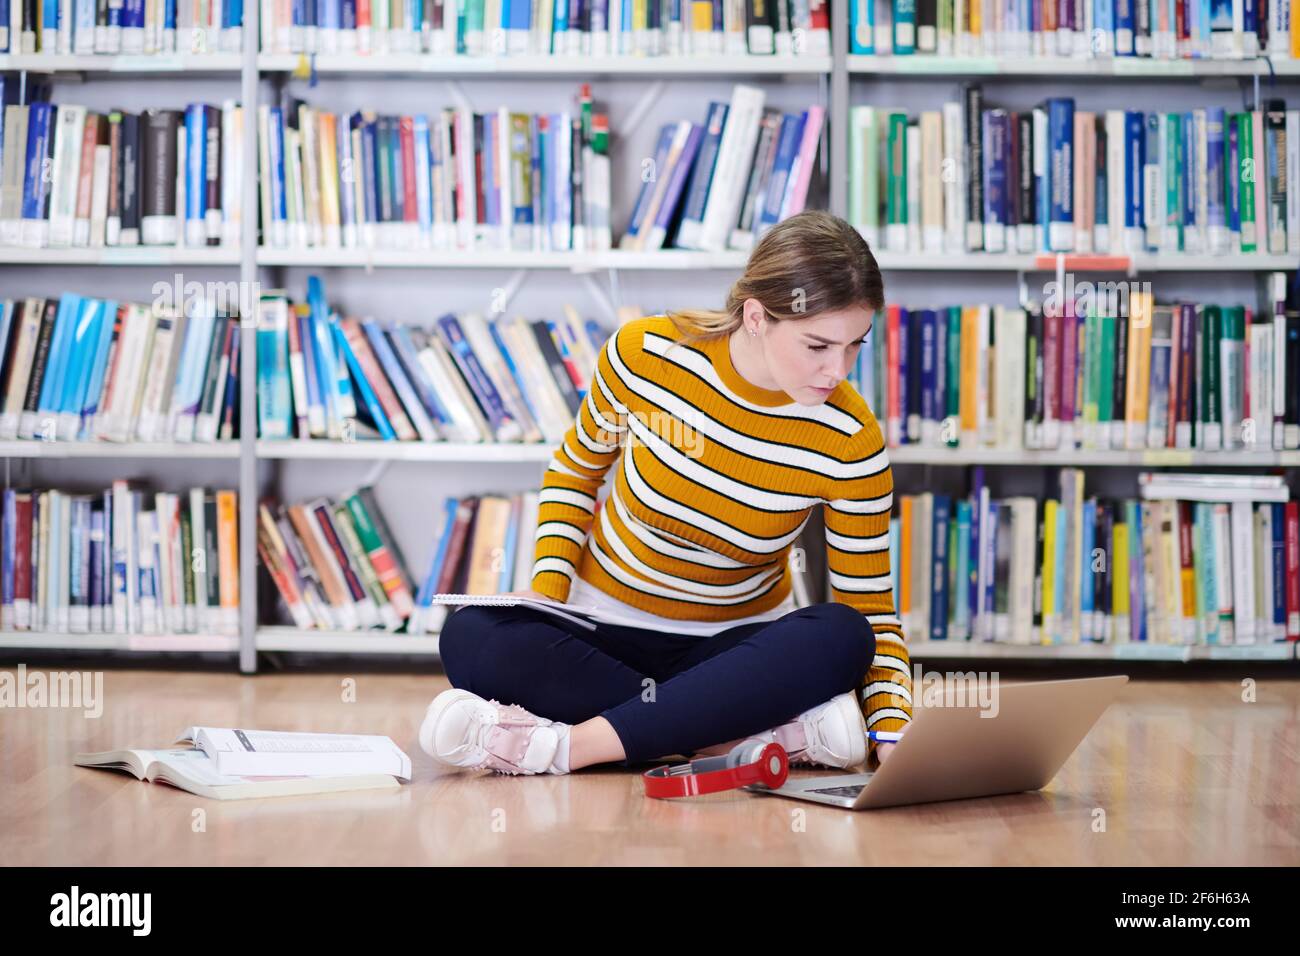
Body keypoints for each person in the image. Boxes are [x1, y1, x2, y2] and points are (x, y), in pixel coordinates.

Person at [420, 209, 913, 777]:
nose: (837, 371)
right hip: (603, 630)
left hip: (735, 649)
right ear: (756, 316)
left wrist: (893, 735)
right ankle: (741, 738)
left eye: (856, 346)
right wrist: (548, 594)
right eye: (818, 346)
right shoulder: (646, 354)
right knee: (472, 637)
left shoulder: (852, 439)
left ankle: (564, 748)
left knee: (842, 637)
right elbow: (574, 470)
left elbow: (872, 613)